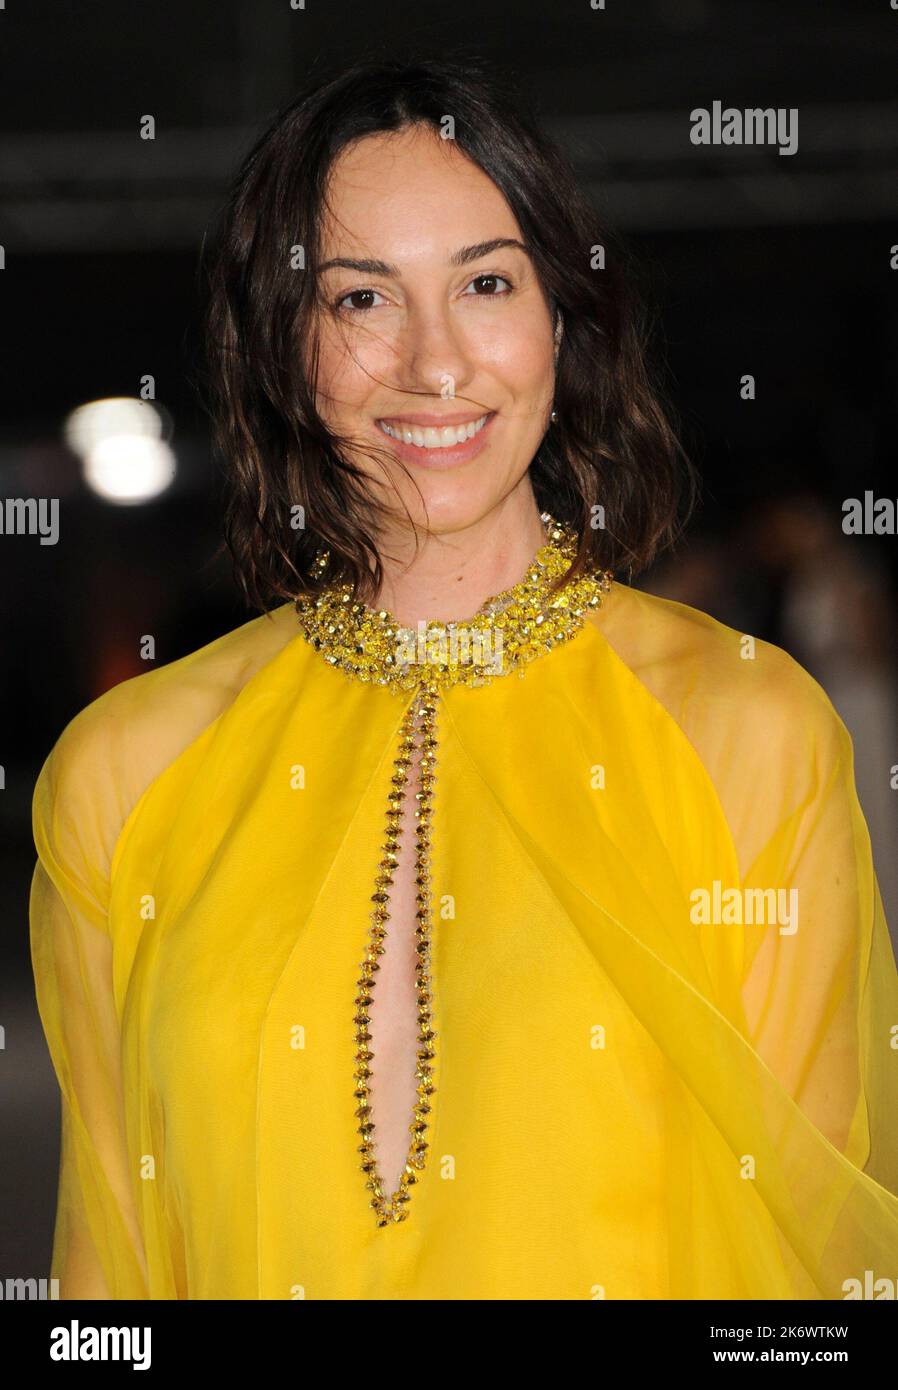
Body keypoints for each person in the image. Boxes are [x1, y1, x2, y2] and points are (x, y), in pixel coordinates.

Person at [30, 55, 898, 1300]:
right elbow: (107, 1282)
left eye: (485, 283)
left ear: (561, 317)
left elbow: (804, 1271)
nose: (435, 364)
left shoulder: (743, 728)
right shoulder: (128, 768)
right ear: (287, 344)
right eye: (363, 300)